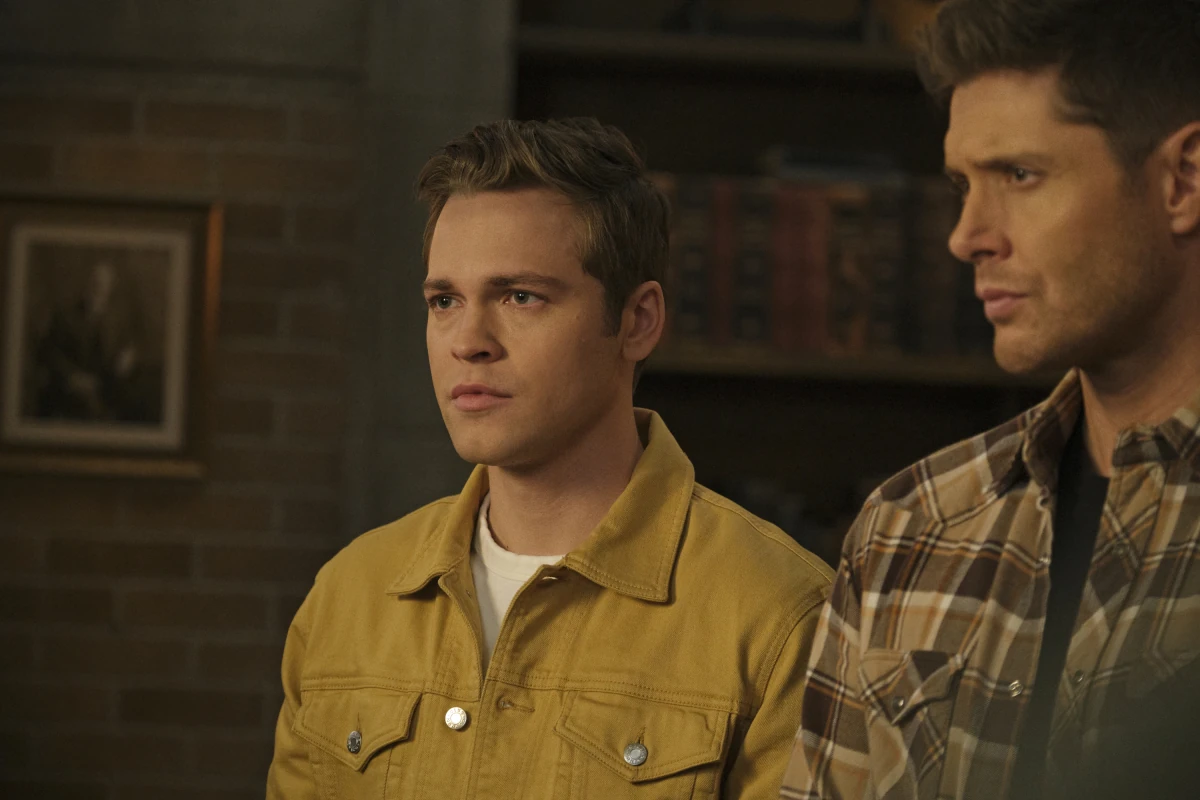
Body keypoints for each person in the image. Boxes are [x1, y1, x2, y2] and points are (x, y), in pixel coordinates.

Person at [266, 118, 834, 799]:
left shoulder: (780, 614)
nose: (468, 341)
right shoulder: (348, 596)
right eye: (444, 301)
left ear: (637, 321)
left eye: (520, 297)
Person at [780, 1, 1200, 798]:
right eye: (961, 185)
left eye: (1019, 175)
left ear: (1183, 180)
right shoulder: (908, 530)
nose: (967, 235)